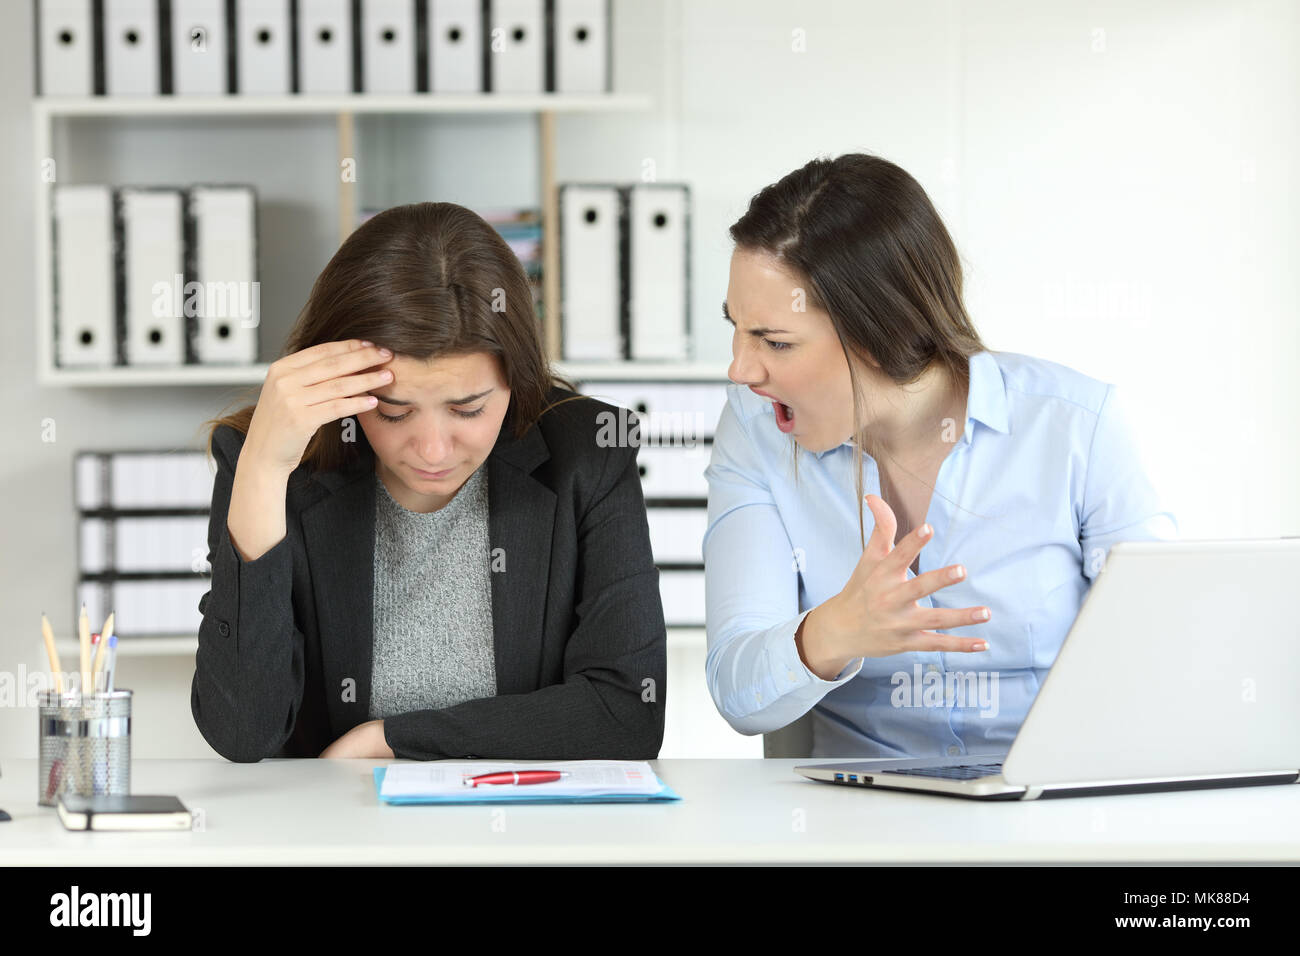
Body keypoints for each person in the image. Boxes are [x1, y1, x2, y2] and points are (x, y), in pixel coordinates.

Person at [703, 153, 1177, 758]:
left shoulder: (1076, 427)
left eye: (774, 341)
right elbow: (737, 693)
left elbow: (1164, 651)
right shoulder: (755, 429)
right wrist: (834, 631)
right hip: (856, 821)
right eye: (736, 329)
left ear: (882, 332)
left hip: (1056, 807)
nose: (740, 370)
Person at [193, 202, 665, 762]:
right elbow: (244, 732)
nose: (433, 450)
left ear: (517, 379)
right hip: (337, 835)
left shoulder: (587, 453)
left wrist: (391, 739)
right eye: (394, 413)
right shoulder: (273, 461)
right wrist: (264, 470)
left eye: (468, 410)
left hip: (528, 833)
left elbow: (626, 714)